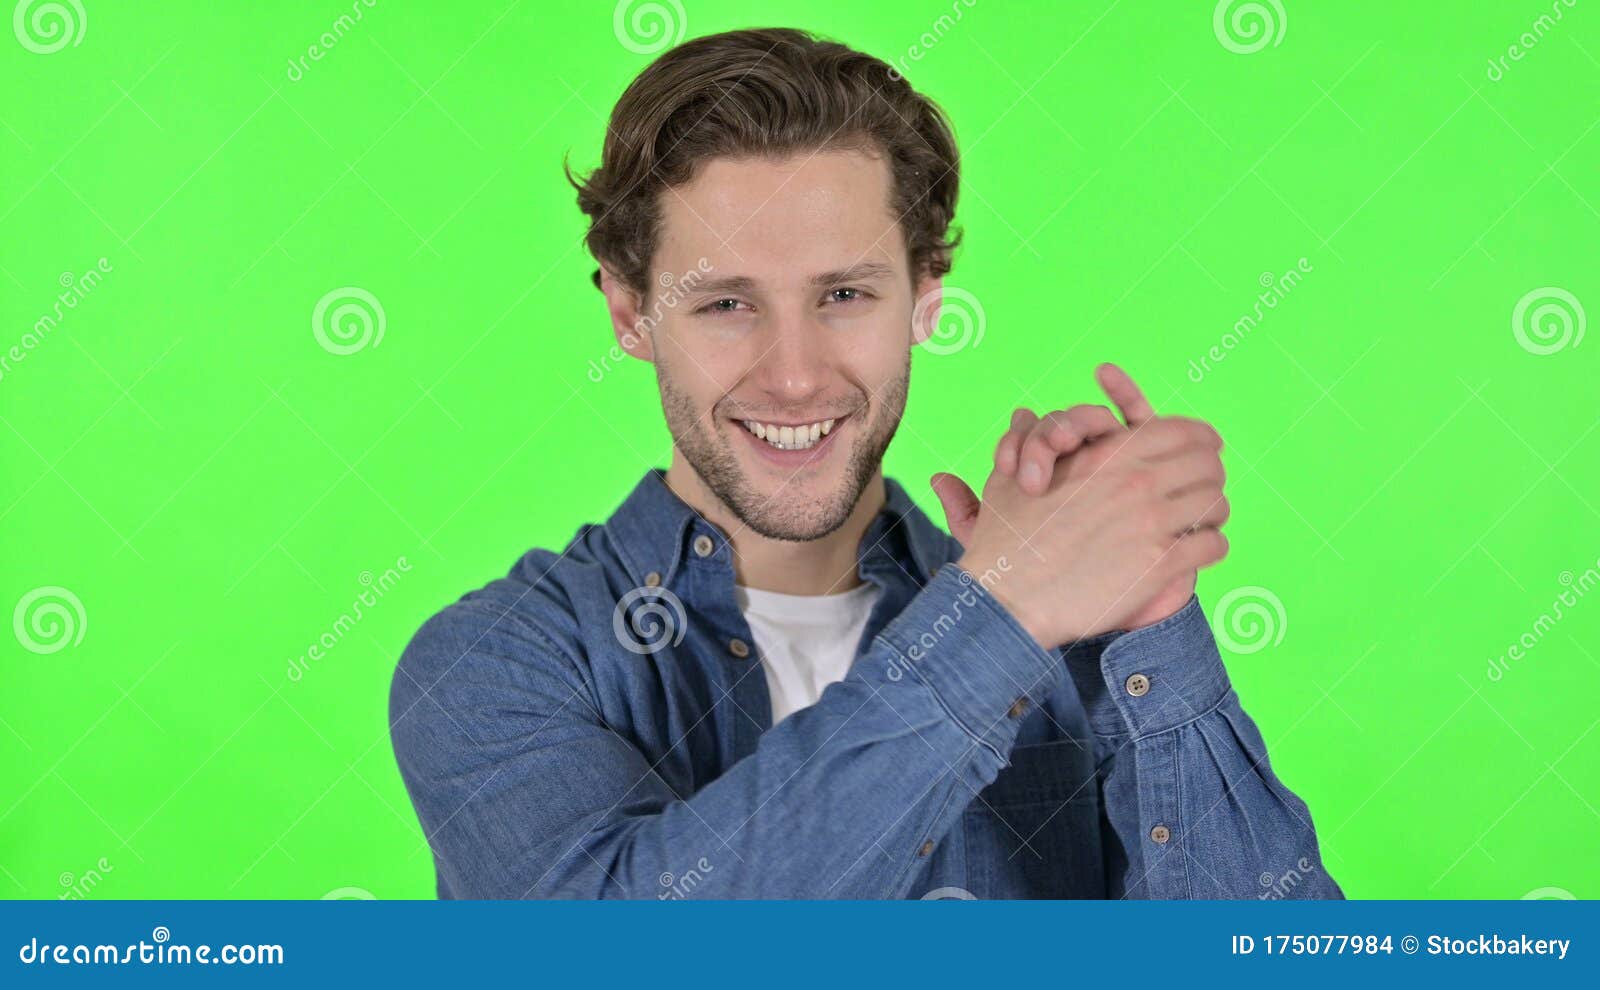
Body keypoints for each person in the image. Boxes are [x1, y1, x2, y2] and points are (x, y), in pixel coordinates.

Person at [388, 26, 1341, 900]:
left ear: (925, 300)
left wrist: (1151, 621)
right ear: (631, 314)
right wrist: (1003, 611)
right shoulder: (495, 664)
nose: (795, 376)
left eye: (843, 293)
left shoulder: (1078, 637)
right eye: (724, 303)